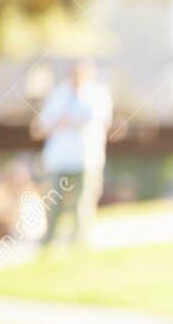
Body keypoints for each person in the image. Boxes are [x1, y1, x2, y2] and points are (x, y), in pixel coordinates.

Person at [31, 59, 112, 248]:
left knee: (82, 205)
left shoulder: (97, 94)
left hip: (86, 160)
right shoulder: (59, 95)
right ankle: (48, 243)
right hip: (58, 161)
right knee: (53, 205)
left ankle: (80, 244)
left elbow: (97, 120)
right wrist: (60, 122)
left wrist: (66, 121)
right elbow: (41, 127)